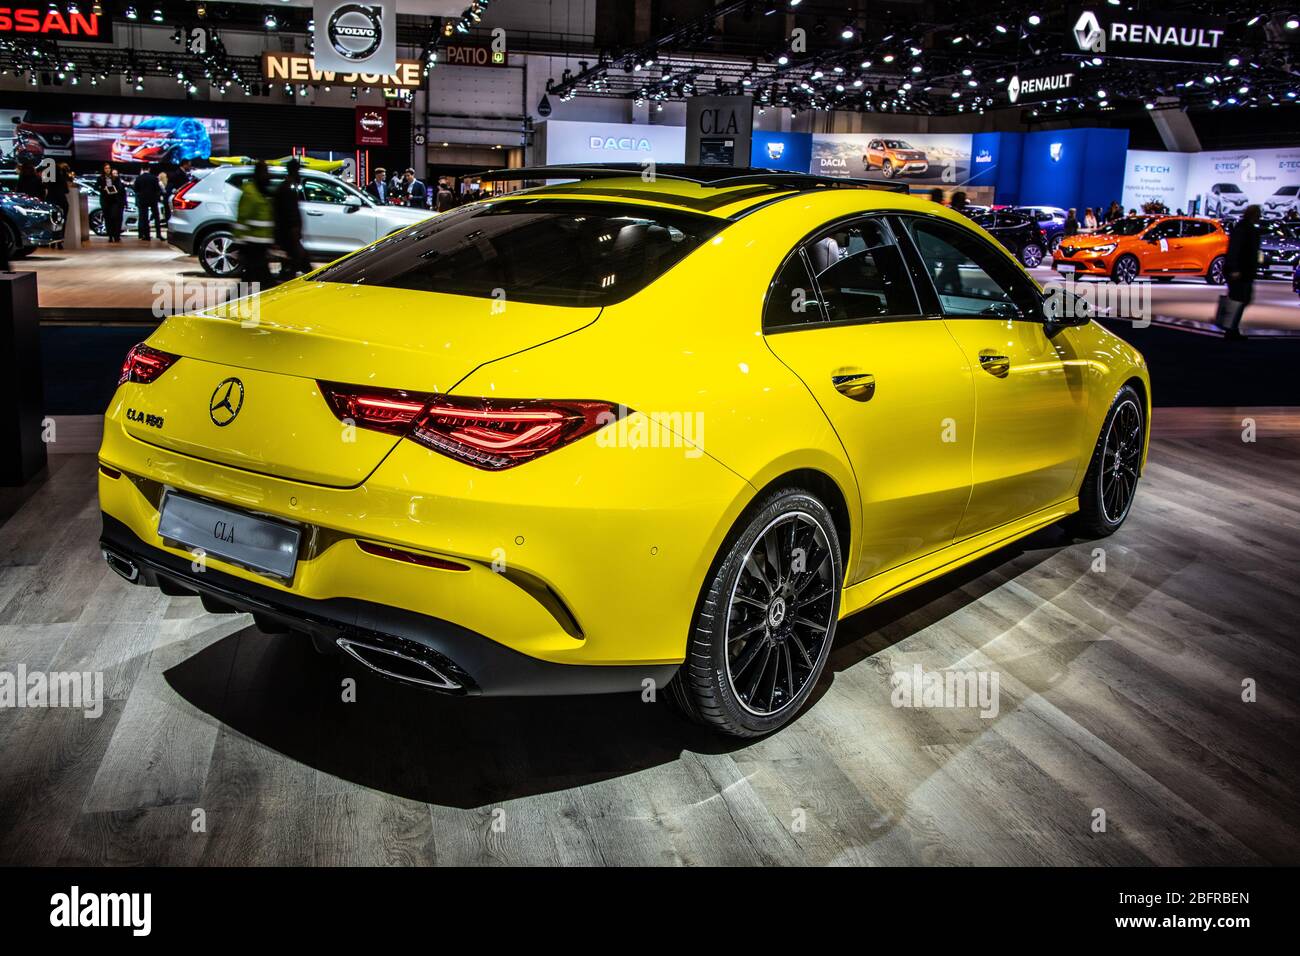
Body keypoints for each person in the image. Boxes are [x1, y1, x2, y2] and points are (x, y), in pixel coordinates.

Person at [1221, 205, 1261, 340]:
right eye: (1258, 214)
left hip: (1245, 271)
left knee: (1241, 299)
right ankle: (1230, 329)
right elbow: (1235, 249)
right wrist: (1234, 269)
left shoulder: (1247, 228)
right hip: (1240, 271)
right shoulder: (1243, 229)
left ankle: (1231, 328)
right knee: (1239, 299)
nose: (1260, 217)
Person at [234, 160, 274, 286]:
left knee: (250, 280)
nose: (268, 175)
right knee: (262, 282)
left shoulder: (261, 192)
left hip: (260, 246)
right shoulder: (251, 194)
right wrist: (239, 246)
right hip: (252, 246)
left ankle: (233, 303)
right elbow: (242, 220)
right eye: (265, 172)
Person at [274, 158, 310, 281]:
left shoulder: (287, 186)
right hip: (289, 235)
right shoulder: (287, 188)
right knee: (300, 262)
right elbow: (289, 213)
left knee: (295, 263)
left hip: (288, 235)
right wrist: (294, 232)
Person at [95, 163, 126, 242]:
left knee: (114, 217)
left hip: (114, 200)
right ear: (103, 169)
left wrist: (115, 190)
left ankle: (116, 235)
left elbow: (120, 189)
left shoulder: (115, 178)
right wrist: (103, 188)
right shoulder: (100, 178)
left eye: (109, 168)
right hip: (105, 200)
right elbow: (96, 187)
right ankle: (110, 235)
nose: (107, 170)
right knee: (107, 218)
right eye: (106, 168)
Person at [133, 164, 163, 240]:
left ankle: (147, 236)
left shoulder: (139, 178)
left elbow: (136, 189)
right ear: (149, 169)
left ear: (142, 169)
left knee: (144, 218)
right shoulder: (154, 178)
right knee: (156, 217)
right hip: (153, 199)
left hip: (143, 200)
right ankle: (158, 234)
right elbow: (158, 189)